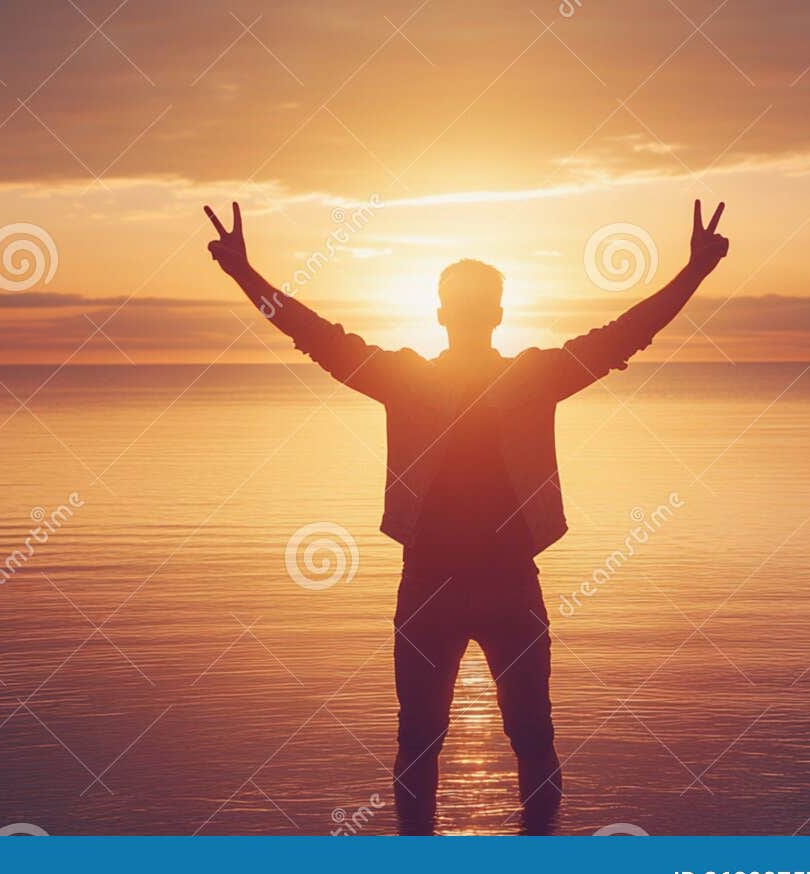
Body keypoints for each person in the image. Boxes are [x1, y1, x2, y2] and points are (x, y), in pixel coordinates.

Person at [203, 199, 731, 833]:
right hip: (458, 585)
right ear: (486, 314)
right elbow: (626, 334)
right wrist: (693, 272)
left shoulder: (442, 378)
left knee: (456, 743)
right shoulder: (504, 377)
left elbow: (318, 339)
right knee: (506, 740)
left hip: (463, 585)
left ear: (446, 314)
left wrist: (244, 272)